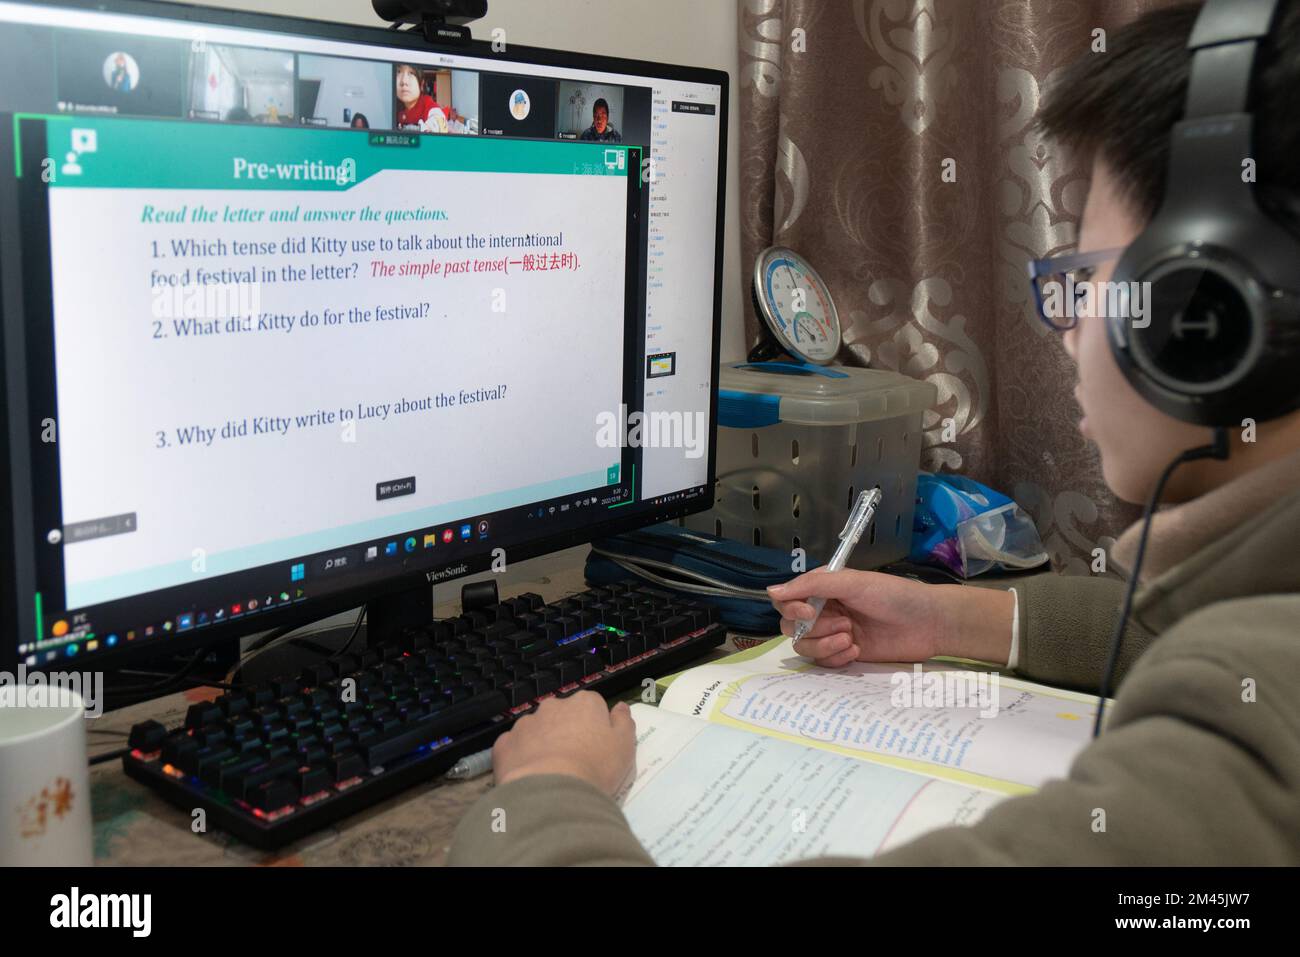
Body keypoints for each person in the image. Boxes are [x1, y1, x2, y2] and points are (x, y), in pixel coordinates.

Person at [448, 0, 1300, 866]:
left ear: (1210, 313)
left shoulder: (1260, 741)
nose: (1064, 326)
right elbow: (1173, 629)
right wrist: (949, 616)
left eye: (1081, 276)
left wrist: (548, 789)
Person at [394, 63, 447, 133]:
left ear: (421, 84)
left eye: (411, 73)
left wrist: (430, 127)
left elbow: (439, 122)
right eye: (398, 72)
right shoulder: (393, 105)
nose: (404, 81)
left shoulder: (427, 103)